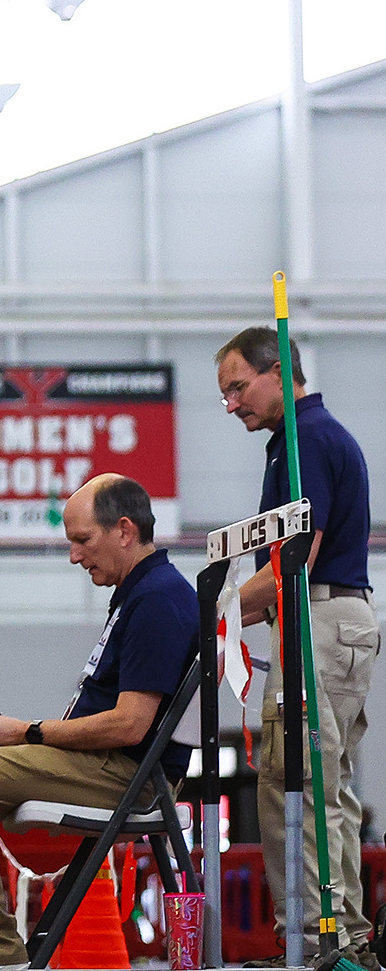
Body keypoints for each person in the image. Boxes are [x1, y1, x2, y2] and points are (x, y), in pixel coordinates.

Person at [0, 475, 199, 971]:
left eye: (82, 540)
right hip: (106, 765)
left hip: (129, 776)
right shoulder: (141, 593)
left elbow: (130, 726)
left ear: (124, 530)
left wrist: (26, 731)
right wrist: (12, 730)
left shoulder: (157, 599)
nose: (73, 556)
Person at [215, 326, 378, 966]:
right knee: (325, 783)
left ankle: (317, 938)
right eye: (224, 393)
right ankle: (345, 936)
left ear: (278, 370)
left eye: (238, 387)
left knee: (296, 779)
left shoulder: (306, 439)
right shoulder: (299, 438)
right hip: (336, 617)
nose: (230, 404)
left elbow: (293, 558)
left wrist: (217, 617)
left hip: (319, 613)